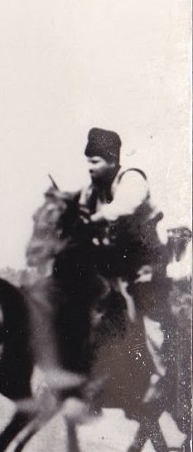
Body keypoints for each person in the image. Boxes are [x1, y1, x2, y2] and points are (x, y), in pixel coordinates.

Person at [76, 126, 171, 391]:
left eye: (95, 161)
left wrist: (95, 218)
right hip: (115, 265)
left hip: (146, 262)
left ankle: (165, 379)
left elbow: (124, 207)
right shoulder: (91, 192)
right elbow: (80, 215)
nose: (90, 167)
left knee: (147, 313)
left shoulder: (132, 179)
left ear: (112, 160)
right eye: (88, 162)